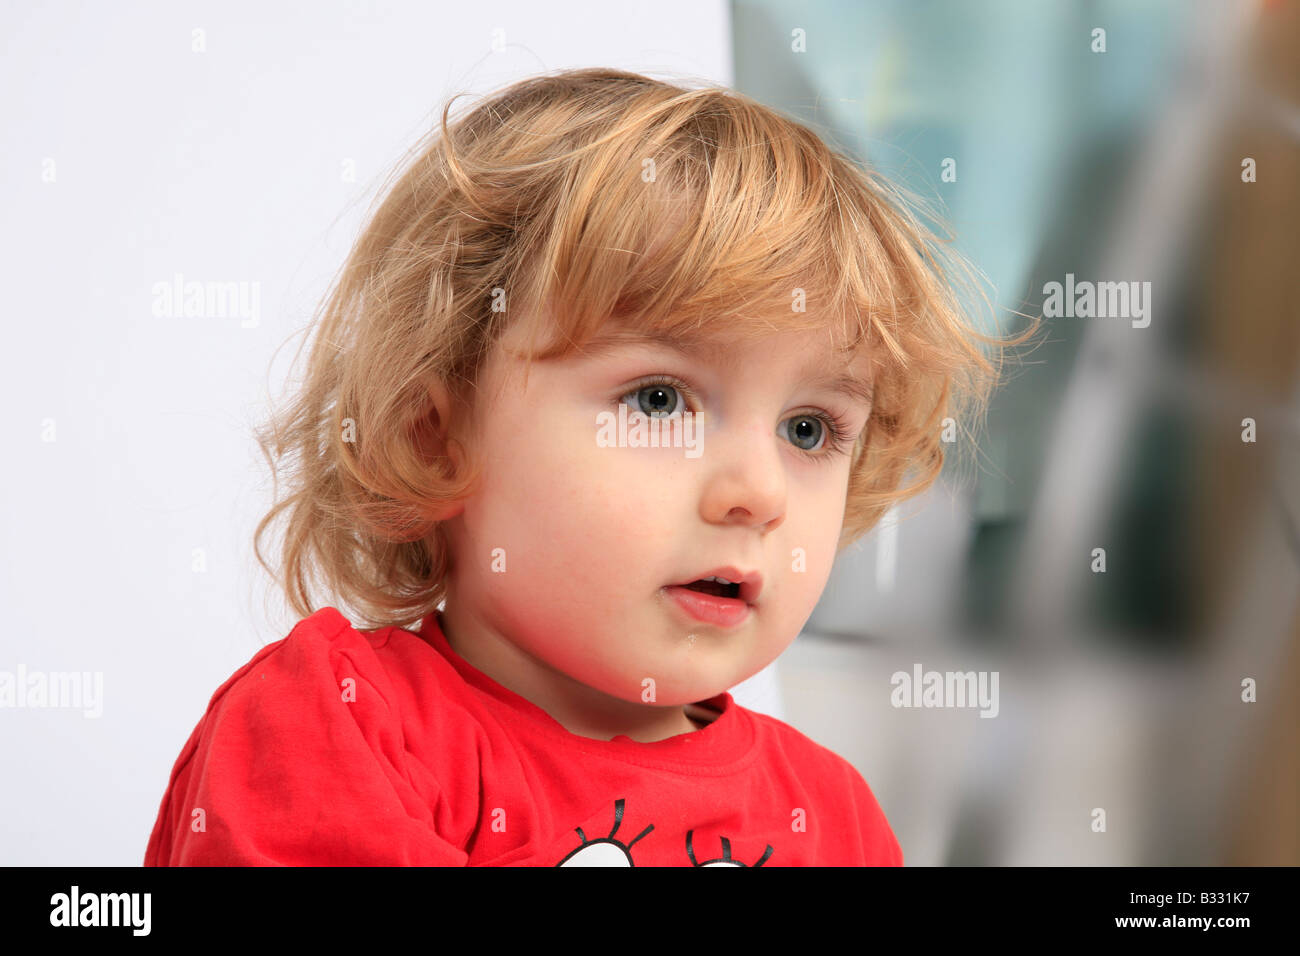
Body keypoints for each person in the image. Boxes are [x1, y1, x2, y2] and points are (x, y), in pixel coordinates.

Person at [144, 66, 1029, 866]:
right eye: (657, 400)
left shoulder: (833, 819)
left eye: (807, 430)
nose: (757, 495)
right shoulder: (340, 725)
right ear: (431, 435)